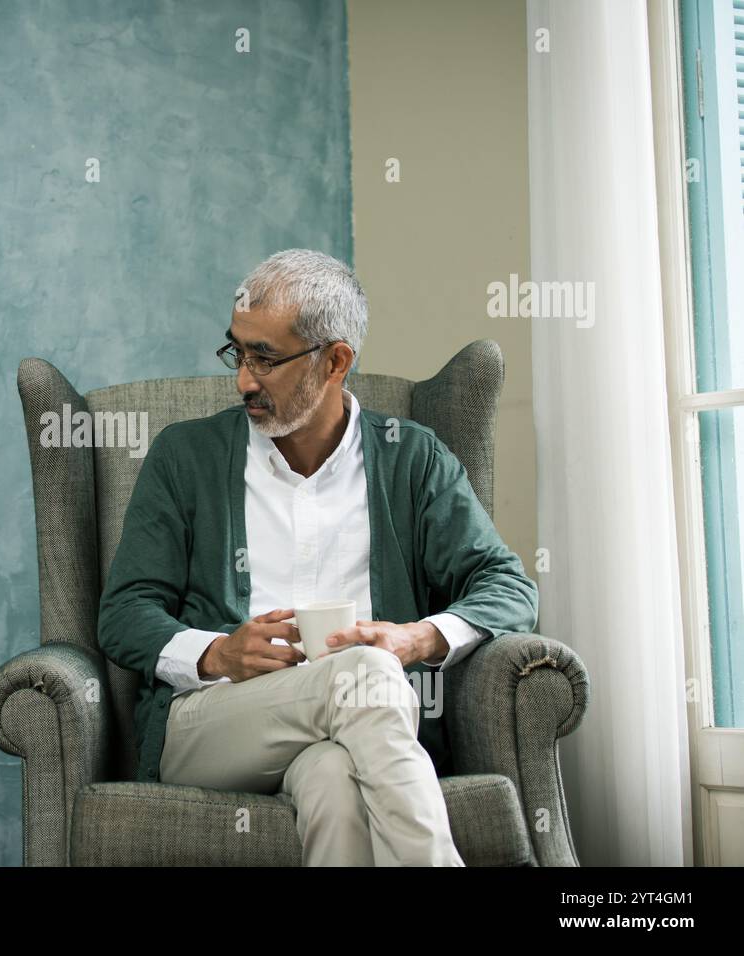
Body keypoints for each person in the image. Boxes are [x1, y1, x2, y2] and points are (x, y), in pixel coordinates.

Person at [96, 249, 538, 865]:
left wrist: (416, 639)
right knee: (366, 674)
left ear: (336, 361)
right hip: (211, 723)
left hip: (357, 731)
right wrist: (216, 651)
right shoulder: (185, 456)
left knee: (332, 780)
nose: (244, 379)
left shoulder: (411, 459)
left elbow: (509, 586)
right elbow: (124, 614)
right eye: (238, 352)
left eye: (266, 358)